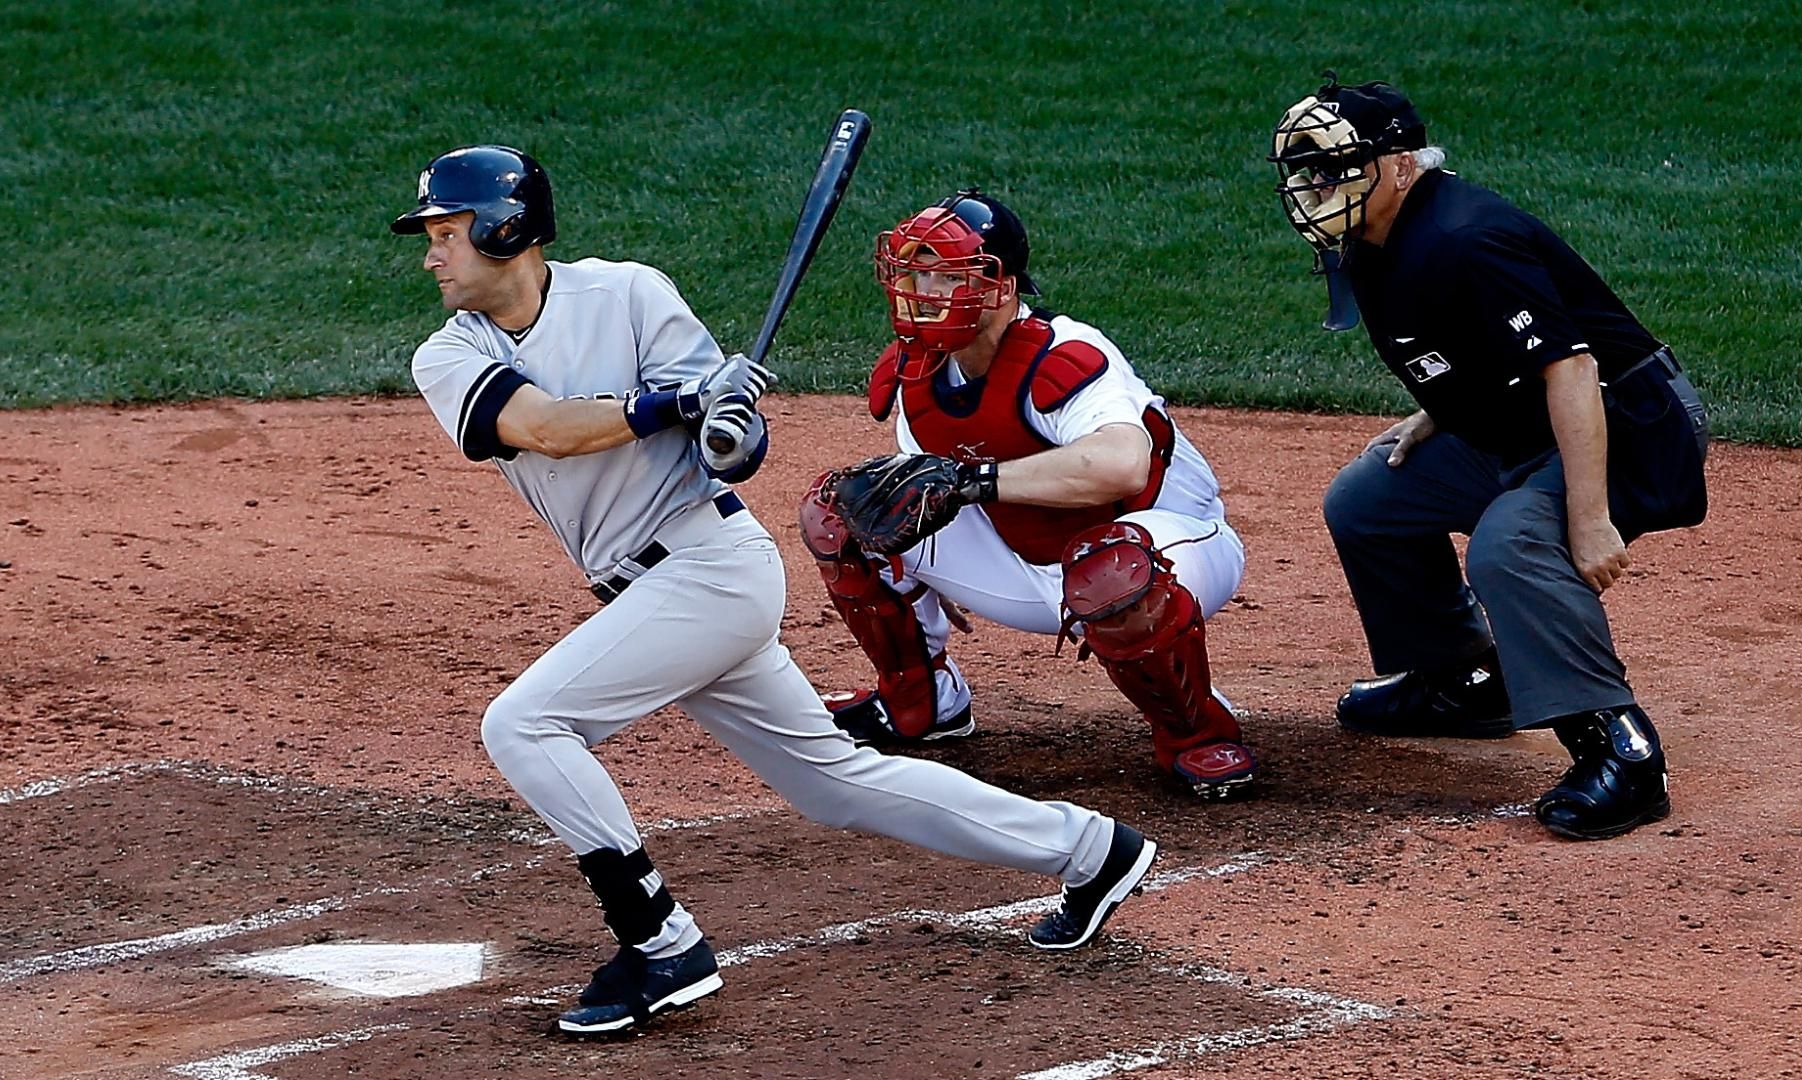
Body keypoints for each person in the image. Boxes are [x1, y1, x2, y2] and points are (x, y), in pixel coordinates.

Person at [391, 146, 1160, 1036]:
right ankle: (1092, 850)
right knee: (837, 787)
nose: (431, 254)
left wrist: (725, 426)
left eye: (446, 233)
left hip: (710, 570)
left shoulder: (631, 293)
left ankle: (659, 943)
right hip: (659, 597)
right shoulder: (449, 354)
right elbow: (542, 429)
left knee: (523, 724)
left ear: (504, 227)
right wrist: (673, 404)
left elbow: (732, 450)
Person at [1266, 75, 1710, 839]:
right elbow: (1471, 347)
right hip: (1522, 422)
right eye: (1309, 169)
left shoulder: (1464, 237)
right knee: (1370, 500)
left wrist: (1592, 515)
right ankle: (1461, 683)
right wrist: (1437, 415)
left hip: (1629, 423)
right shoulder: (1371, 239)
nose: (1317, 187)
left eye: (1339, 166)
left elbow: (1570, 364)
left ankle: (1623, 751)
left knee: (1511, 546)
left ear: (1402, 165)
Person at [800, 189, 1258, 799]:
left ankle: (1194, 731)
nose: (925, 291)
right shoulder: (916, 377)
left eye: (947, 276)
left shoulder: (1062, 356)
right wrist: (912, 562)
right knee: (844, 513)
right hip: (1025, 566)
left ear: (1000, 286)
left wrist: (979, 481)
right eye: (917, 273)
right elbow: (924, 497)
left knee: (1109, 569)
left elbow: (1122, 466)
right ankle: (921, 700)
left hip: (1169, 551)